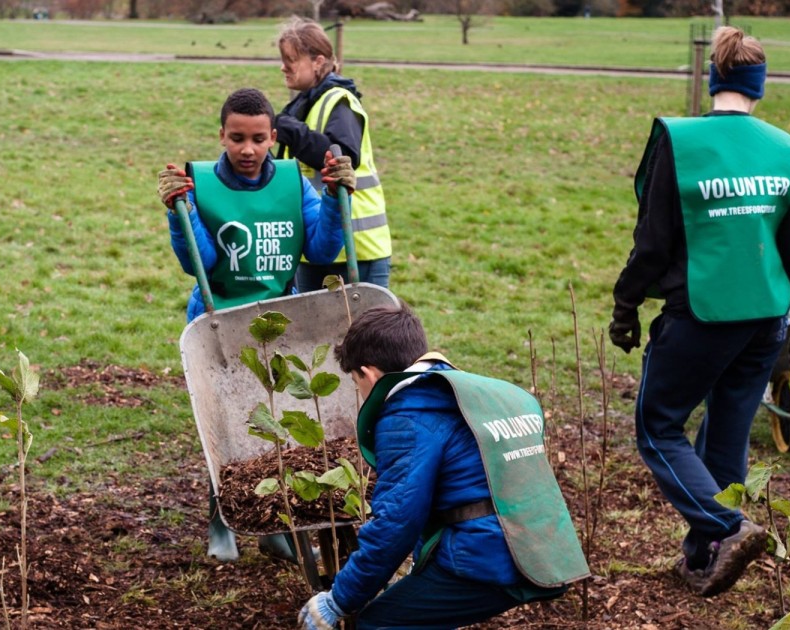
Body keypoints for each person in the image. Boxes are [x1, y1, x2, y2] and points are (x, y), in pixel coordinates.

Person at [609, 26, 790, 597]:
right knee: (726, 436)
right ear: (760, 84)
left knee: (657, 428)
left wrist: (625, 305)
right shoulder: (784, 147)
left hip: (701, 315)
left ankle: (729, 527)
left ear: (713, 80)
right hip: (766, 319)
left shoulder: (680, 143)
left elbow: (651, 242)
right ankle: (704, 559)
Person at [299, 304, 587, 629]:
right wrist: (419, 571)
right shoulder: (466, 394)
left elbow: (396, 523)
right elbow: (448, 498)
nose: (362, 394)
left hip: (492, 560)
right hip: (544, 547)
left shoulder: (406, 417)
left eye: (357, 383)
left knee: (377, 623)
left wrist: (338, 600)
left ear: (369, 373)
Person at [157, 87, 351, 562]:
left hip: (277, 319)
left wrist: (332, 197)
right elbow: (199, 261)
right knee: (223, 426)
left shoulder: (291, 183)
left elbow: (322, 252)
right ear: (221, 135)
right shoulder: (199, 182)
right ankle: (219, 519)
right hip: (218, 320)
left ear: (272, 138)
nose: (248, 149)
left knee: (278, 422)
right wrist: (178, 213)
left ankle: (270, 523)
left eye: (259, 138)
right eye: (237, 138)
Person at [274, 16, 391, 291]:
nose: (283, 67)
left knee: (361, 336)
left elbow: (342, 159)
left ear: (318, 61)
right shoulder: (304, 107)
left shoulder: (339, 101)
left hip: (356, 250)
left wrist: (290, 129)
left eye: (291, 59)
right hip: (318, 246)